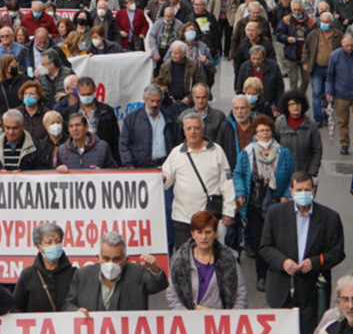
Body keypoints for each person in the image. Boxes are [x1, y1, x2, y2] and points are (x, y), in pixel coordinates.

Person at [258, 171, 345, 334]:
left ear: (314, 191)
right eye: (299, 190)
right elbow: (265, 247)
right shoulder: (275, 213)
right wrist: (283, 262)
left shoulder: (330, 218)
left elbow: (337, 253)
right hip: (282, 289)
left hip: (312, 291)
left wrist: (314, 262)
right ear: (291, 192)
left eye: (307, 190)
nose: (303, 194)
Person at [161, 110, 238, 247]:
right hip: (183, 218)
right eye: (189, 128)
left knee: (212, 257)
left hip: (209, 218)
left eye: (196, 128)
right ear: (184, 130)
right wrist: (160, 179)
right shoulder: (176, 153)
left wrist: (229, 210)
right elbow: (165, 181)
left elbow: (226, 182)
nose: (192, 132)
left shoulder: (217, 151)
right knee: (185, 257)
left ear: (203, 129)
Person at [233, 117, 295, 286]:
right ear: (255, 134)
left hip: (277, 204)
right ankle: (262, 276)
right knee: (260, 241)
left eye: (268, 130)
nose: (265, 134)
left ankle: (278, 273)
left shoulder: (284, 153)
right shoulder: (247, 153)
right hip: (255, 204)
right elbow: (238, 174)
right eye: (261, 131)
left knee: (278, 240)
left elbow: (293, 176)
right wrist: (240, 192)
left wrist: (286, 195)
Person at [64, 232, 167, 313]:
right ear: (98, 258)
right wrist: (76, 312)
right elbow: (67, 305)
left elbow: (158, 285)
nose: (110, 263)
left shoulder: (137, 273)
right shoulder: (82, 276)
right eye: (106, 258)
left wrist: (154, 268)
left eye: (116, 259)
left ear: (125, 259)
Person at [166, 210, 247, 311]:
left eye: (208, 232)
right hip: (189, 319)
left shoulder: (229, 259)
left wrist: (228, 318)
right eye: (199, 232)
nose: (203, 237)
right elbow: (172, 297)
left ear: (215, 233)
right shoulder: (179, 260)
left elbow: (241, 295)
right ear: (192, 233)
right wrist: (191, 315)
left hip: (222, 320)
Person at [11, 222, 78, 313]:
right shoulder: (28, 275)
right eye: (49, 242)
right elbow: (16, 308)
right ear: (39, 247)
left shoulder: (74, 274)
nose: (54, 245)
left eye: (58, 241)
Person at [120, 84, 183, 168]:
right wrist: (129, 164)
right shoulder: (131, 119)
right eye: (152, 101)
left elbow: (178, 142)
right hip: (141, 168)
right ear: (144, 99)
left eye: (158, 101)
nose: (155, 104)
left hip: (166, 166)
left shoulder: (170, 118)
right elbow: (123, 144)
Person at [301, 13, 341, 125]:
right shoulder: (313, 35)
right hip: (317, 69)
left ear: (331, 22)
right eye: (322, 21)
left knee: (329, 94)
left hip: (332, 70)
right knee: (317, 93)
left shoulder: (338, 35)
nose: (324, 24)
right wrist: (305, 62)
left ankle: (327, 115)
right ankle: (318, 118)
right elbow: (306, 49)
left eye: (326, 22)